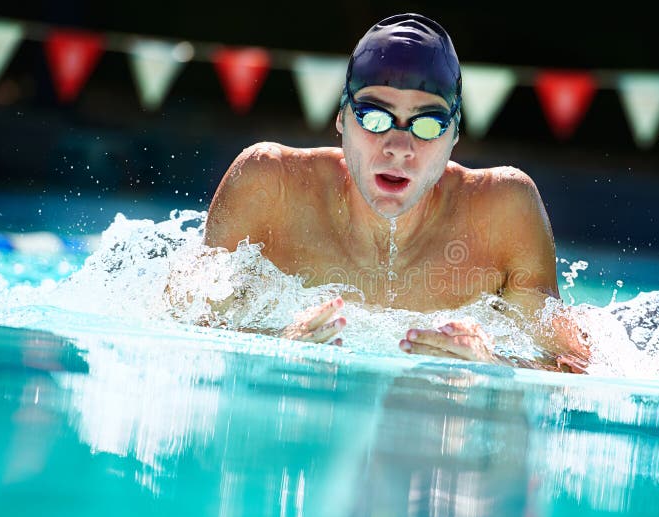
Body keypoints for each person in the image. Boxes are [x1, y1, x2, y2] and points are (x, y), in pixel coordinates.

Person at [201, 13, 591, 372]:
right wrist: (274, 345)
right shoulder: (271, 186)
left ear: (454, 133)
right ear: (342, 117)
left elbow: (574, 367)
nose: (399, 146)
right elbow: (186, 320)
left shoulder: (503, 211)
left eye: (427, 124)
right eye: (375, 116)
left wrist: (494, 366)